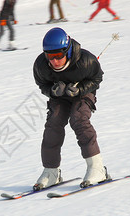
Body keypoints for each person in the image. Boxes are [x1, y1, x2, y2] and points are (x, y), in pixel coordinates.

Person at [32, 27, 109, 190]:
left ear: (67, 51)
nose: (54, 61)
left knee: (78, 119)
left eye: (58, 55)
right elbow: (42, 84)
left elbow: (97, 78)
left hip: (83, 93)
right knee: (53, 123)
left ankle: (97, 168)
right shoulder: (41, 65)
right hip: (60, 96)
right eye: (50, 56)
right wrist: (52, 91)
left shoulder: (85, 61)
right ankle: (51, 172)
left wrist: (80, 89)